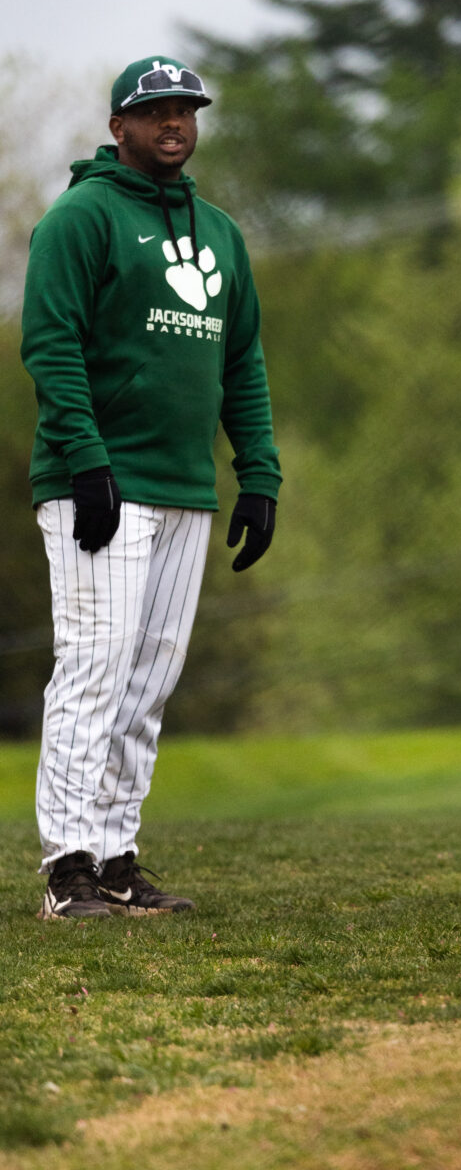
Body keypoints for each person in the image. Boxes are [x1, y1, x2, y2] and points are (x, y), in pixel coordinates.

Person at [21, 56, 281, 920]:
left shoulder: (220, 232)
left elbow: (240, 361)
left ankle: (118, 858)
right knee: (94, 670)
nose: (174, 123)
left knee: (148, 681)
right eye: (154, 110)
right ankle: (68, 869)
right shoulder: (80, 219)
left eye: (186, 110)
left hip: (183, 490)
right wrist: (86, 460)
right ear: (118, 127)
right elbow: (50, 346)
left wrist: (259, 475)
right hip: (97, 483)